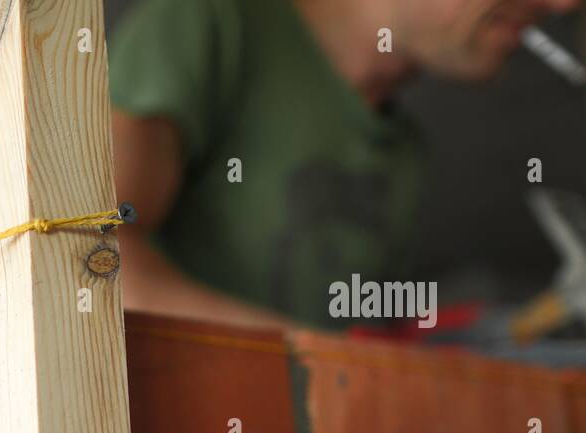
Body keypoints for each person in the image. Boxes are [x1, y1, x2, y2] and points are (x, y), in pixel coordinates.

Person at [110, 0, 581, 330]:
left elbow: (361, 332)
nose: (562, 4)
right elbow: (99, 257)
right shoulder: (209, 23)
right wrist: (326, 367)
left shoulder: (402, 152)